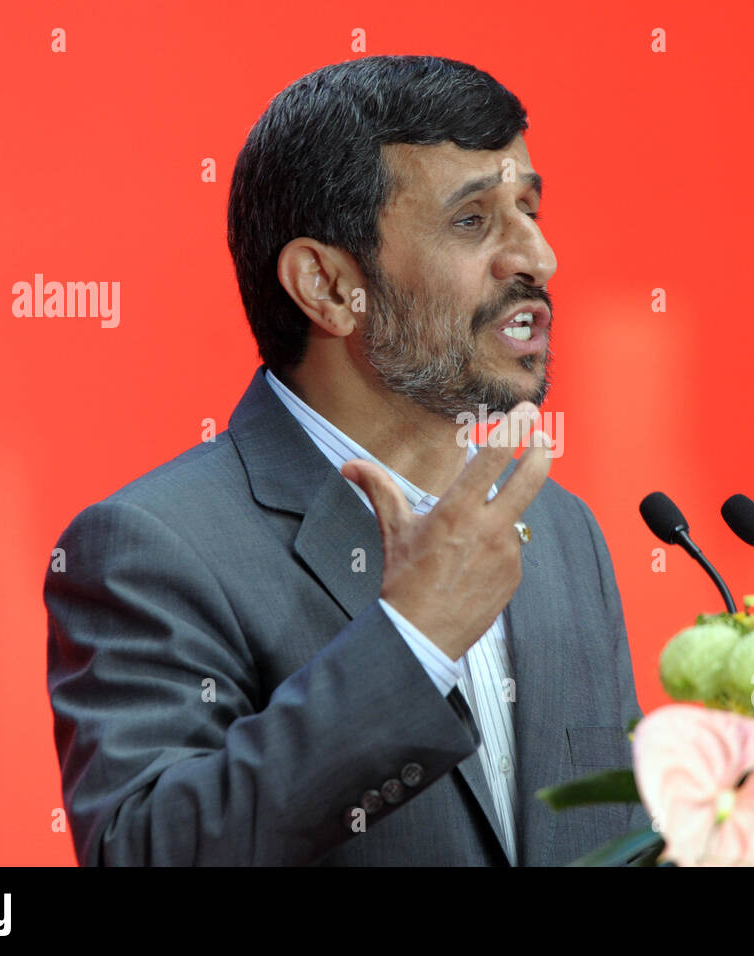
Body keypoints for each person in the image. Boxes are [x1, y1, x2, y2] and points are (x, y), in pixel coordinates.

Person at [45, 54, 646, 866]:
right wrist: (413, 641)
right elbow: (148, 850)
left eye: (530, 211)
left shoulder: (562, 530)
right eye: (473, 221)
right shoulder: (153, 548)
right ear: (327, 287)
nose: (538, 258)